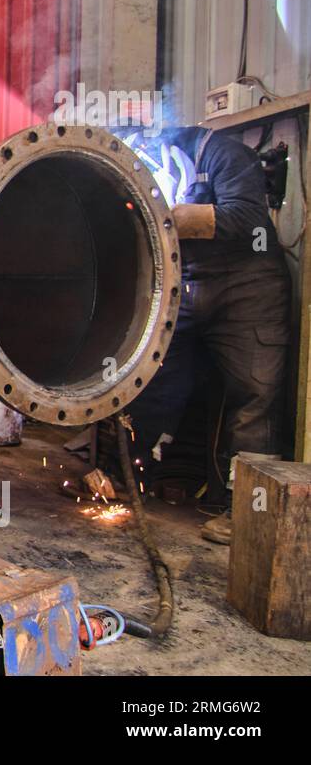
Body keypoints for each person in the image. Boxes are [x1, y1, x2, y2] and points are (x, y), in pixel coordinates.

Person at [122, 126, 290, 545]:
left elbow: (248, 218)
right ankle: (128, 478)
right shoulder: (144, 163)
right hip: (190, 282)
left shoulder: (221, 152)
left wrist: (170, 218)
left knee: (253, 396)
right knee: (153, 377)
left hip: (250, 288)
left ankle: (246, 512)